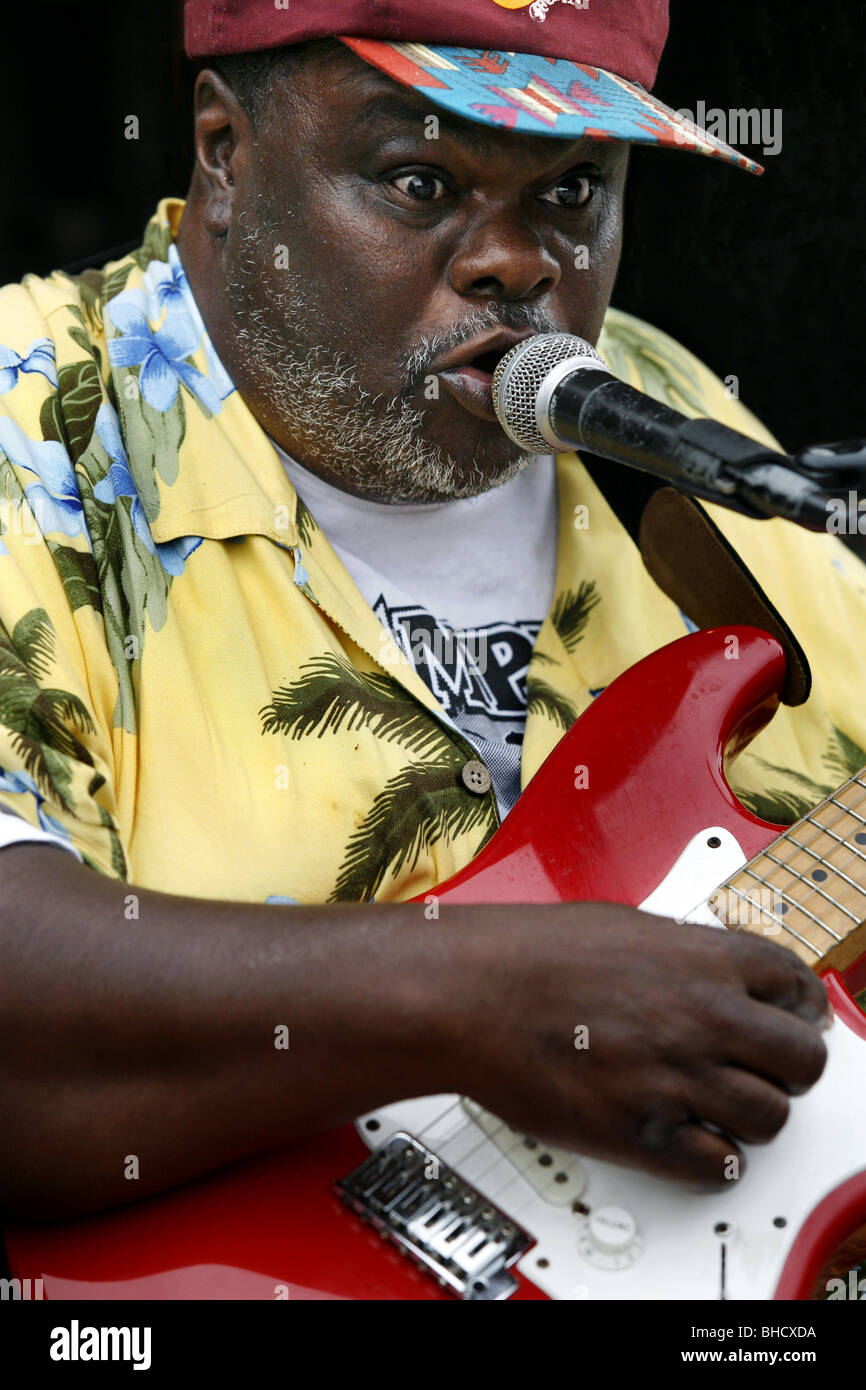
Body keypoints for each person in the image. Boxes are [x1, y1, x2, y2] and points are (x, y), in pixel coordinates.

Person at [0, 0, 860, 1228]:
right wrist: (480, 994)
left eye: (569, 194)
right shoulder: (26, 428)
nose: (517, 264)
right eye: (419, 180)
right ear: (221, 154)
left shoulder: (661, 410)